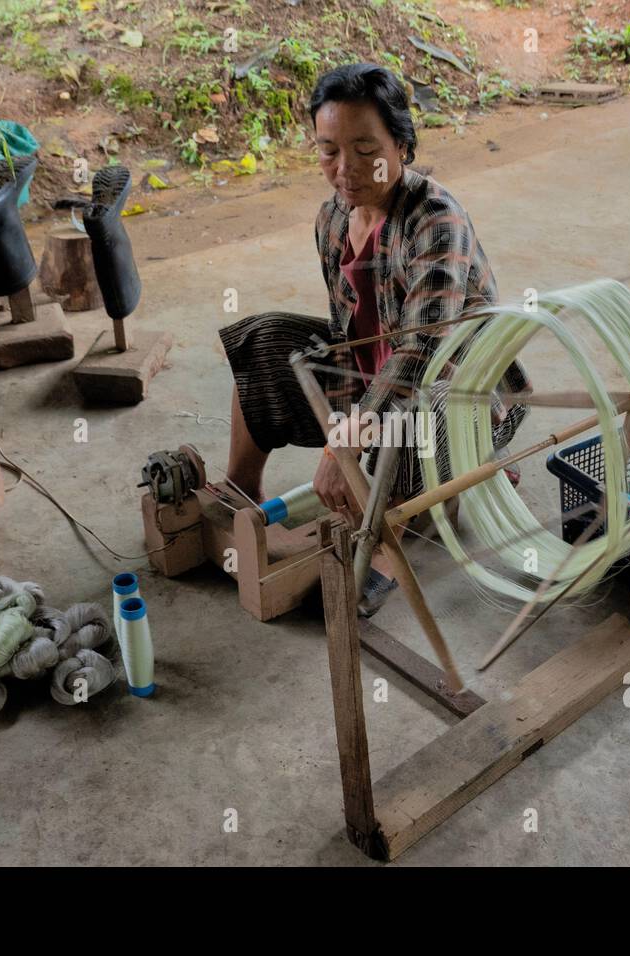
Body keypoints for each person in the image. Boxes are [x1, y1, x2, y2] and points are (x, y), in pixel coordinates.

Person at [219, 62, 529, 613]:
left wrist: (346, 443)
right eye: (328, 150)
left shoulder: (435, 220)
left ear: (402, 146)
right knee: (267, 342)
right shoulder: (333, 218)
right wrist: (347, 415)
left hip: (461, 386)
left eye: (366, 150)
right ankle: (241, 490)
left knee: (419, 412)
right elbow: (348, 330)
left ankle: (389, 544)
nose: (345, 170)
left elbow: (420, 353)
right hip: (374, 368)